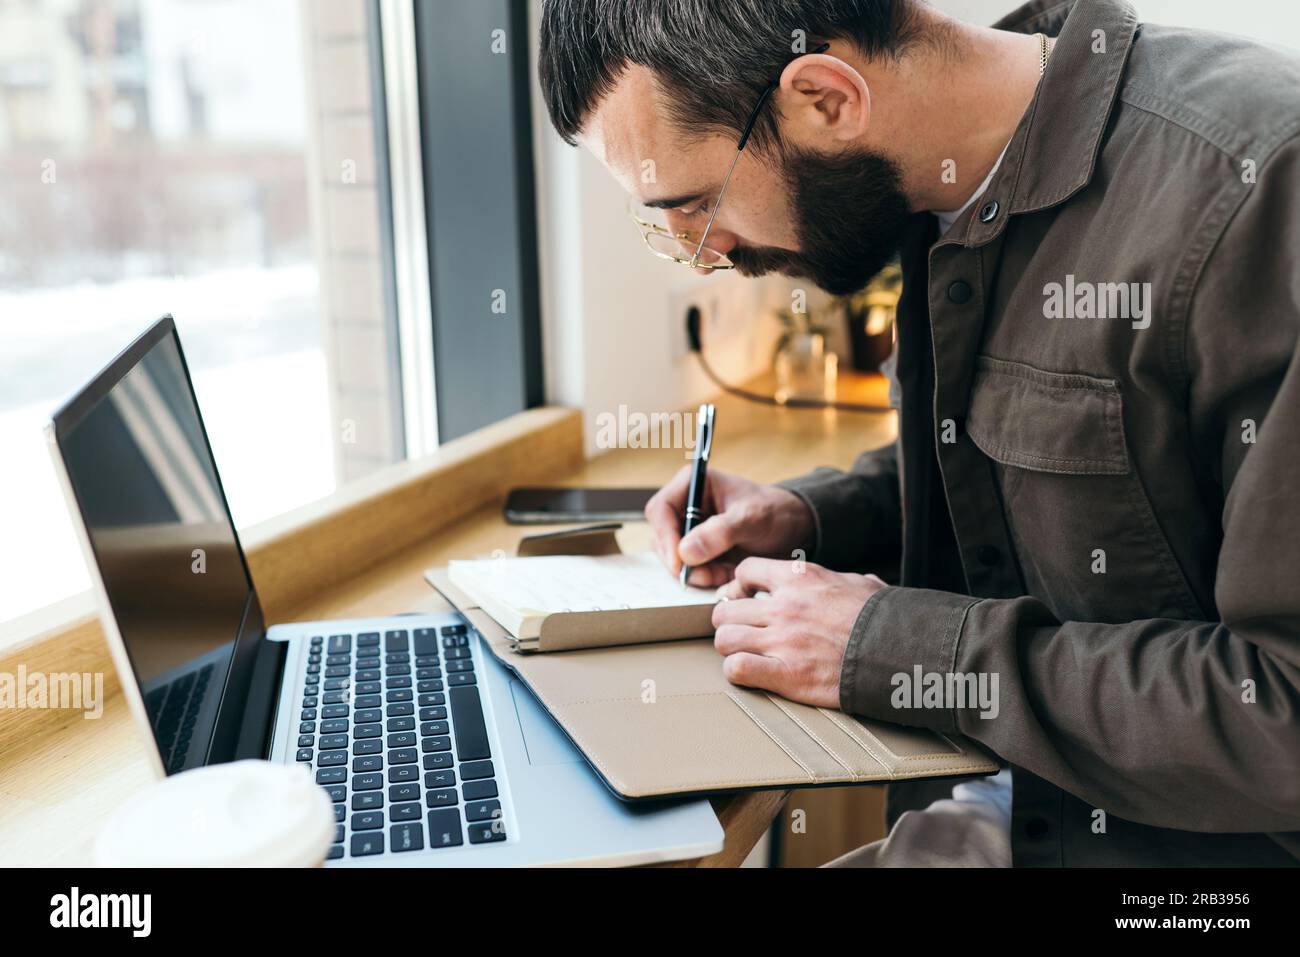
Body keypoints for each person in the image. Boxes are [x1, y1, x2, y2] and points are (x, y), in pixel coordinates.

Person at [537, 0, 1300, 866]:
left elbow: (1283, 711)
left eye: (698, 208)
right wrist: (817, 515)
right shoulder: (927, 188)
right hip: (1003, 805)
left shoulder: (1259, 185)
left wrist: (889, 647)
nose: (706, 255)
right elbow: (1046, 483)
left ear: (825, 98)